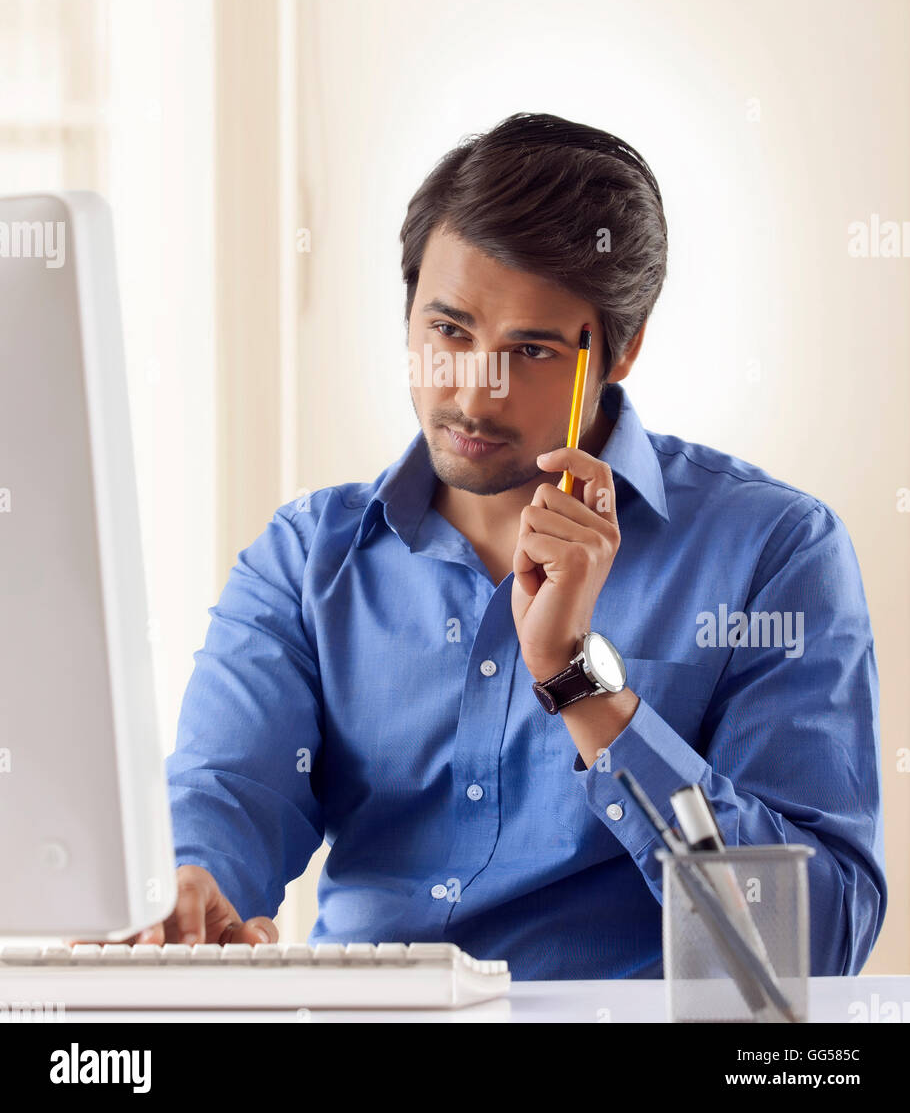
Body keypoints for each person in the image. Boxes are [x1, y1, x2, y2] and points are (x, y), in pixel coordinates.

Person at [154, 112, 886, 978]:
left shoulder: (774, 553)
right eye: (449, 331)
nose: (473, 394)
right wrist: (190, 883)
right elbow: (230, 797)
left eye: (531, 350)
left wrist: (580, 685)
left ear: (621, 352)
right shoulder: (308, 561)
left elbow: (818, 941)